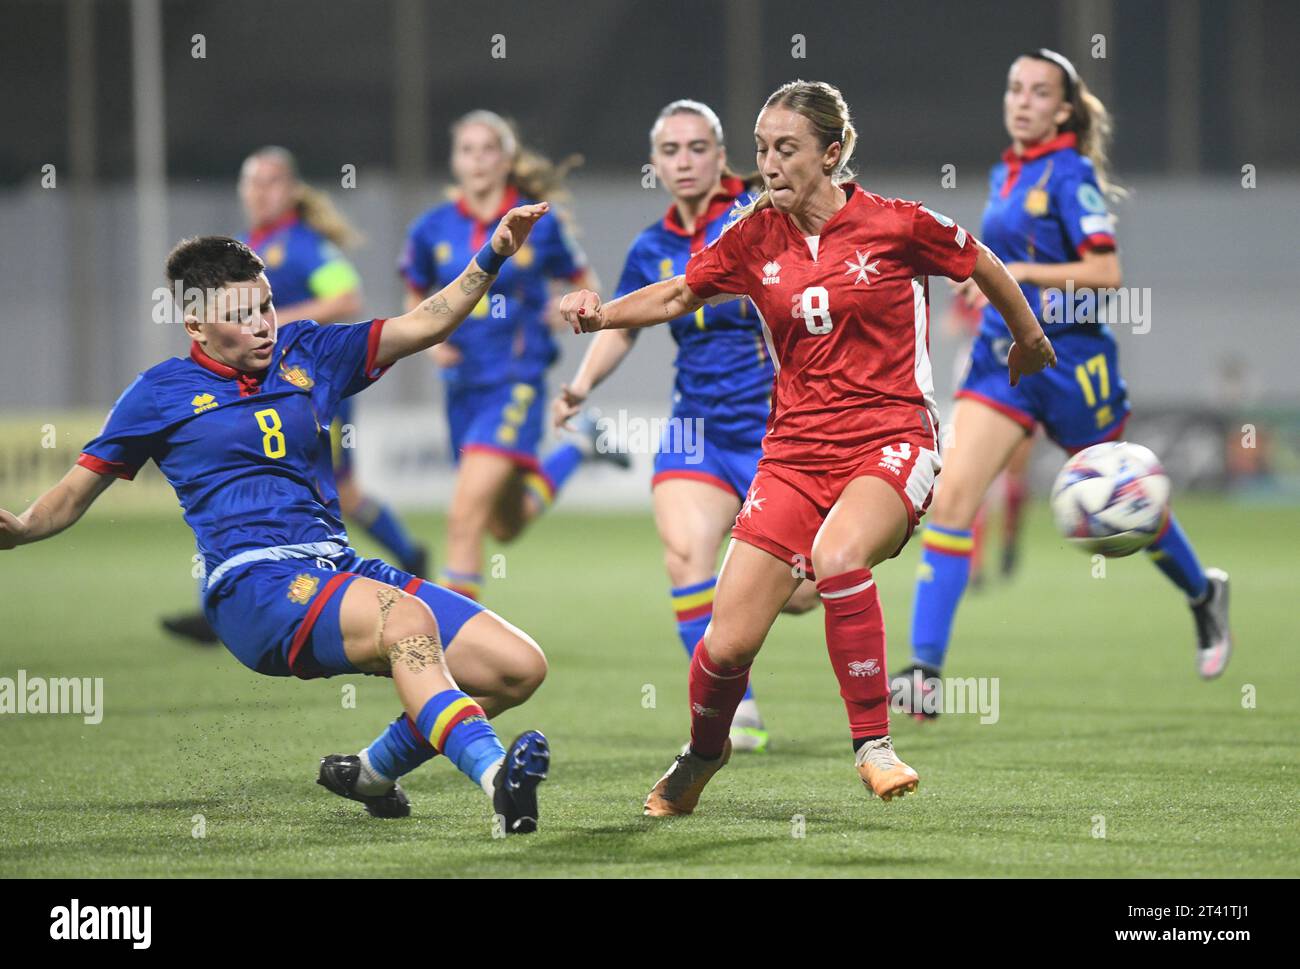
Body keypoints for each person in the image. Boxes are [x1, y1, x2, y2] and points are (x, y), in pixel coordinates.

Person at [558, 80, 1055, 816]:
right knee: (725, 646)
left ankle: (874, 744)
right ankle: (701, 754)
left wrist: (1030, 337)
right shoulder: (752, 237)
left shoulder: (898, 224)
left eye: (786, 149)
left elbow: (979, 259)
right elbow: (676, 296)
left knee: (837, 557)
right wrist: (599, 314)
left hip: (892, 440)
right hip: (793, 454)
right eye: (761, 150)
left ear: (832, 152)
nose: (769, 164)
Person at [1, 208, 555, 834]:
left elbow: (422, 324)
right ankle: (496, 780)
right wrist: (21, 530)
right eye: (241, 316)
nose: (263, 325)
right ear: (196, 324)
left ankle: (371, 771)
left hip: (337, 568)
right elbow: (75, 492)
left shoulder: (308, 350)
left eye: (265, 306)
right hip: (254, 588)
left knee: (516, 667)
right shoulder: (159, 392)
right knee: (406, 618)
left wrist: (492, 256)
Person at [892, 49, 1232, 719]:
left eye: (1037, 92)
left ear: (1064, 109)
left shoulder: (1071, 174)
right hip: (1004, 357)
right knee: (954, 493)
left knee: (1130, 506)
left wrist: (1016, 272)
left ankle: (1202, 592)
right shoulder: (1007, 169)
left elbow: (1105, 274)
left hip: (1072, 364)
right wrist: (987, 283)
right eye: (1013, 87)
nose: (1020, 100)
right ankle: (925, 673)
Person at [552, 100, 818, 754]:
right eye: (671, 151)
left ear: (720, 153)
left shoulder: (760, 214)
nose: (685, 161)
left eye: (697, 147)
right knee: (685, 556)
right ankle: (732, 706)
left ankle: (775, 594)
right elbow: (629, 322)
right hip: (693, 430)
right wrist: (582, 384)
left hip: (775, 433)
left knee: (802, 591)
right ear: (656, 165)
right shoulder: (653, 246)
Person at [161, 147, 426, 645]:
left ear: (290, 189)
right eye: (251, 182)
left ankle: (403, 559)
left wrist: (266, 325)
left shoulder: (298, 245)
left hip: (308, 392)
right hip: (263, 391)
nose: (259, 191)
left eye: (270, 182)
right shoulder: (249, 245)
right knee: (246, 479)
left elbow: (346, 295)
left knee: (332, 490)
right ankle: (224, 596)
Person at [402, 110, 625, 603]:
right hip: (462, 386)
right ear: (455, 161)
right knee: (504, 525)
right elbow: (413, 292)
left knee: (463, 517)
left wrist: (567, 306)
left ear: (506, 160)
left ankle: (459, 647)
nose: (478, 160)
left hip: (515, 381)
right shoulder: (430, 229)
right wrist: (429, 340)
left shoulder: (536, 222)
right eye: (468, 149)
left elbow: (587, 284)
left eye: (489, 149)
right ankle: (577, 447)